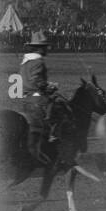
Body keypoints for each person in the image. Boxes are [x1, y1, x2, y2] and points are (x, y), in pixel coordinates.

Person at [17, 31, 68, 165]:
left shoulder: (25, 62)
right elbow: (36, 82)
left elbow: (28, 80)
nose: (47, 49)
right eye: (45, 47)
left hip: (26, 99)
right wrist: (50, 86)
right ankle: (53, 137)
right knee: (61, 109)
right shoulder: (39, 62)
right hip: (38, 100)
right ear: (39, 48)